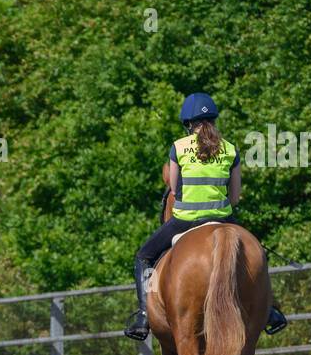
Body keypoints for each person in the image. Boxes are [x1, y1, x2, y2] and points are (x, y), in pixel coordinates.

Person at [123, 93, 288, 341]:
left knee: (144, 256)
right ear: (213, 119)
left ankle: (144, 315)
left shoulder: (178, 147)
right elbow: (234, 197)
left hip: (185, 219)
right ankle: (269, 311)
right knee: (257, 254)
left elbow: (175, 189)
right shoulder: (230, 149)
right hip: (223, 219)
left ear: (188, 123)